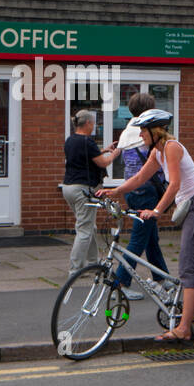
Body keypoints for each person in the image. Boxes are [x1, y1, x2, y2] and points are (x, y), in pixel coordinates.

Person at [99, 108, 194, 342]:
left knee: (187, 267)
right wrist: (116, 190)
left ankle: (184, 329)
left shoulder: (171, 147)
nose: (140, 135)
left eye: (143, 131)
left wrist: (157, 210)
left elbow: (175, 184)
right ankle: (182, 316)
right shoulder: (157, 152)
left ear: (155, 131)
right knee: (187, 262)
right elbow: (140, 177)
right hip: (188, 208)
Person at [110, 92, 169, 300]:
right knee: (138, 240)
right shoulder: (147, 131)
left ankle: (162, 278)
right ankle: (120, 282)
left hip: (131, 190)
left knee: (150, 237)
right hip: (147, 190)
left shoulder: (127, 130)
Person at [61, 109, 119, 274]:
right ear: (87, 123)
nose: (94, 126)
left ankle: (93, 263)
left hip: (68, 188)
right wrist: (114, 154)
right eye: (93, 123)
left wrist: (103, 149)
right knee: (84, 230)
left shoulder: (70, 140)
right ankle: (75, 269)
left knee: (88, 226)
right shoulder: (87, 142)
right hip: (83, 190)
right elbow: (103, 163)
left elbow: (83, 156)